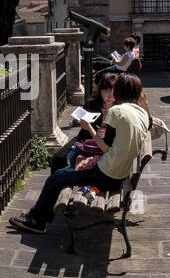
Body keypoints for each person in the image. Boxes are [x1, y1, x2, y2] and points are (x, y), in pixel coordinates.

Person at [9, 72, 150, 235]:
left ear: (118, 91)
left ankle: (36, 221)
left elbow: (106, 148)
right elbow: (146, 126)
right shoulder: (142, 113)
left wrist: (90, 129)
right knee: (66, 172)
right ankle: (40, 213)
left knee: (56, 178)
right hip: (119, 177)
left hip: (105, 174)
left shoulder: (116, 111)